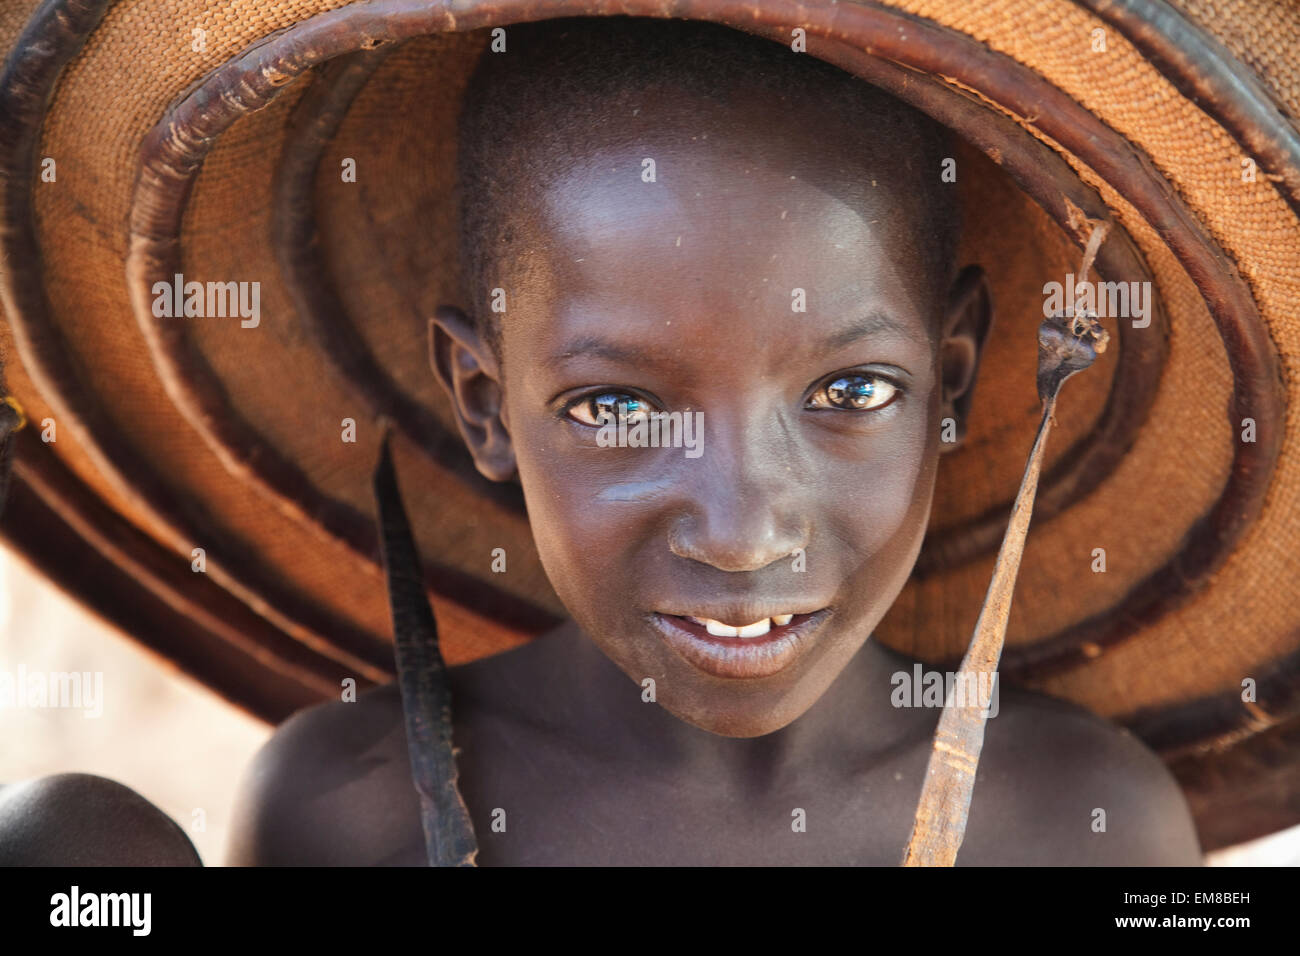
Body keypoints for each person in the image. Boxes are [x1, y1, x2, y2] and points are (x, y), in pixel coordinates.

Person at [225, 19, 1201, 866]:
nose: (742, 534)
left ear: (947, 380)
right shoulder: (339, 814)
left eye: (851, 389)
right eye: (616, 406)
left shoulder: (1089, 824)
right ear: (485, 403)